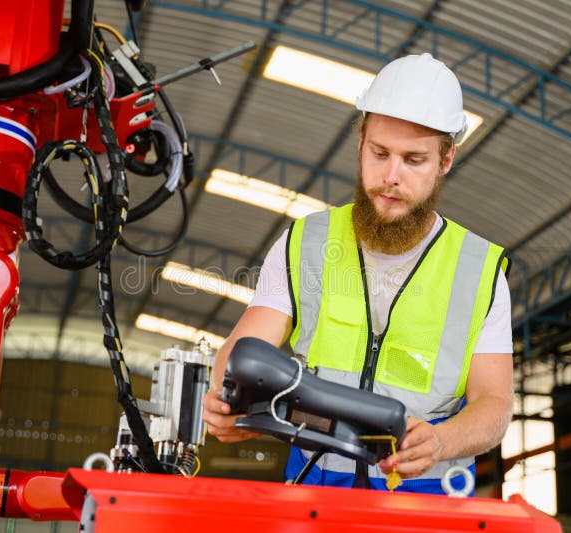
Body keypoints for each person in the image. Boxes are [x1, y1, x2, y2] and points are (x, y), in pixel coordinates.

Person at [202, 53, 513, 494]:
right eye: (379, 153)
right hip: (313, 494)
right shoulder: (304, 243)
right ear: (360, 142)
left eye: (414, 160)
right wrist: (232, 403)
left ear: (446, 160)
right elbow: (240, 352)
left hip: (422, 501)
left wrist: (442, 440)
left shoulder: (480, 272)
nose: (391, 176)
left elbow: (494, 404)